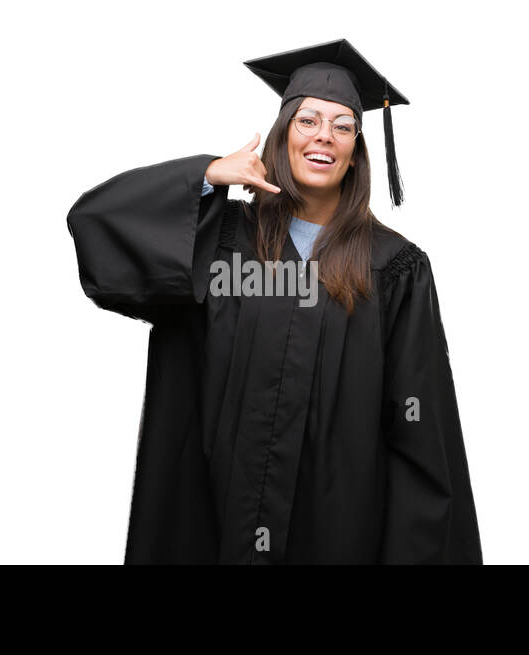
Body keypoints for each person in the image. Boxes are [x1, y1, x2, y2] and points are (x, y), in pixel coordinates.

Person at [67, 39, 482, 564]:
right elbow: (97, 223)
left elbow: (421, 426)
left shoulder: (396, 268)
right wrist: (206, 174)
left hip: (337, 529)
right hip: (213, 518)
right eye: (308, 120)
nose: (323, 137)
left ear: (356, 152)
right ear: (283, 134)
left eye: (342, 126)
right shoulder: (220, 241)